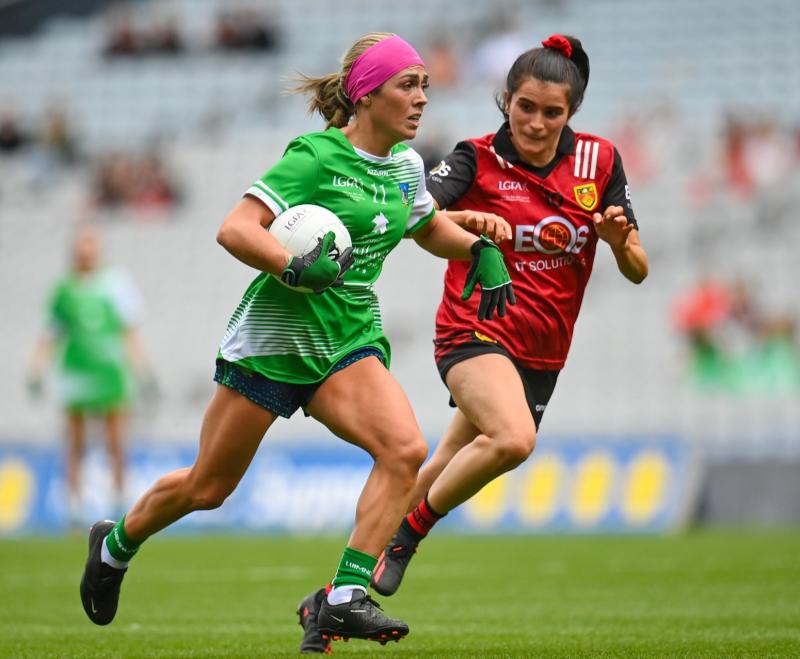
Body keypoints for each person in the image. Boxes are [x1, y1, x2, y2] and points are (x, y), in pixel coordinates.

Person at [77, 32, 514, 651]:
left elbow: (425, 225)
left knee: (404, 449)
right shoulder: (313, 157)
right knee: (208, 487)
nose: (421, 99)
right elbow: (235, 229)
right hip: (275, 342)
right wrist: (289, 264)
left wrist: (476, 248)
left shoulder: (406, 166)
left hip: (347, 339)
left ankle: (340, 599)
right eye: (406, 85)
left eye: (424, 87)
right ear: (366, 94)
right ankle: (116, 543)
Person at [363, 34, 649, 599]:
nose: (537, 123)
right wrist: (471, 219)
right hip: (473, 329)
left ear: (572, 113)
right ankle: (407, 536)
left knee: (444, 462)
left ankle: (337, 593)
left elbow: (639, 269)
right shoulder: (477, 157)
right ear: (505, 100)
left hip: (543, 350)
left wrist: (618, 243)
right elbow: (418, 220)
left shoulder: (600, 162)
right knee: (514, 439)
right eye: (525, 107)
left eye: (552, 112)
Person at [28, 224, 154, 526]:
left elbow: (129, 331)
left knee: (116, 442)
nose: (86, 250)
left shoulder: (116, 283)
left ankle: (120, 505)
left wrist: (142, 368)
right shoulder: (63, 288)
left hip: (110, 371)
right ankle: (74, 509)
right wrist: (37, 367)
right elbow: (51, 333)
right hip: (76, 372)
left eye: (91, 243)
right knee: (75, 443)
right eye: (82, 244)